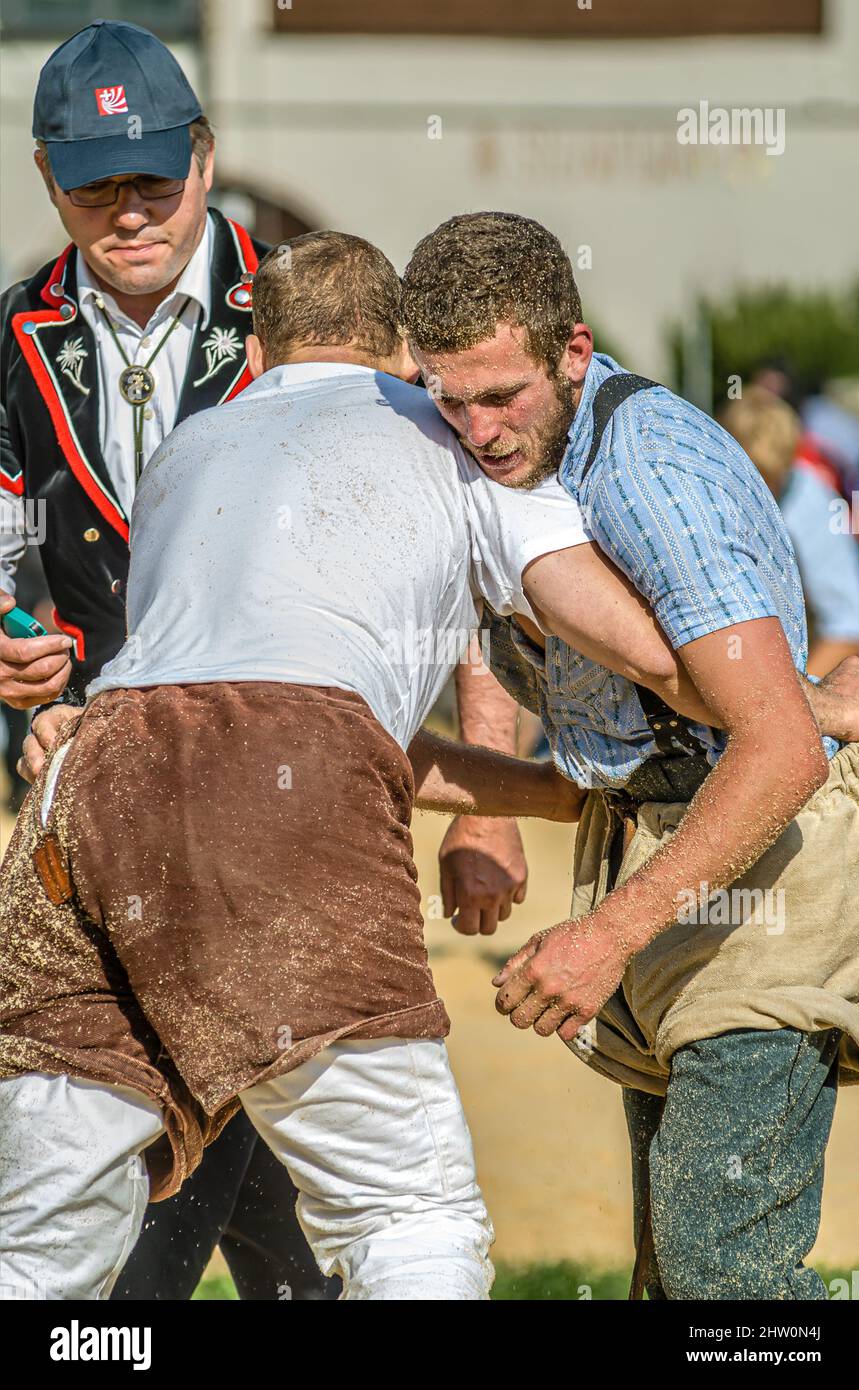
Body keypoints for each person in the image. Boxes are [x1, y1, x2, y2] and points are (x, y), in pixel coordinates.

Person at [3, 228, 709, 1300]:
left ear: (255, 354)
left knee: (43, 1224)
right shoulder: (438, 433)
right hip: (291, 764)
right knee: (401, 1206)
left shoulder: (187, 451)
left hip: (94, 773)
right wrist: (762, 694)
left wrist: (543, 794)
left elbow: (198, 692)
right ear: (399, 357)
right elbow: (626, 638)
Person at [400, 211, 859, 1300]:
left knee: (725, 1281)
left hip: (765, 864)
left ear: (571, 351)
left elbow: (784, 751)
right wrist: (481, 804)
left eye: (500, 395)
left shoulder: (653, 481)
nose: (475, 428)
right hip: (655, 840)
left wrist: (601, 938)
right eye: (450, 396)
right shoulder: (508, 452)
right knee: (676, 1279)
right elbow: (494, 600)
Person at [0, 18, 335, 1302]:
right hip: (76, 782)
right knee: (173, 1061)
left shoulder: (304, 311)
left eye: (154, 176)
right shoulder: (11, 335)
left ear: (206, 155)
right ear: (47, 178)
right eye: (95, 184)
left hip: (273, 776)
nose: (130, 211)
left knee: (198, 1058)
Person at [719, 385, 859, 676]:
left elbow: (850, 629)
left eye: (773, 482)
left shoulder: (811, 500)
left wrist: (793, 702)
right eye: (754, 481)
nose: (765, 494)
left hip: (797, 667)